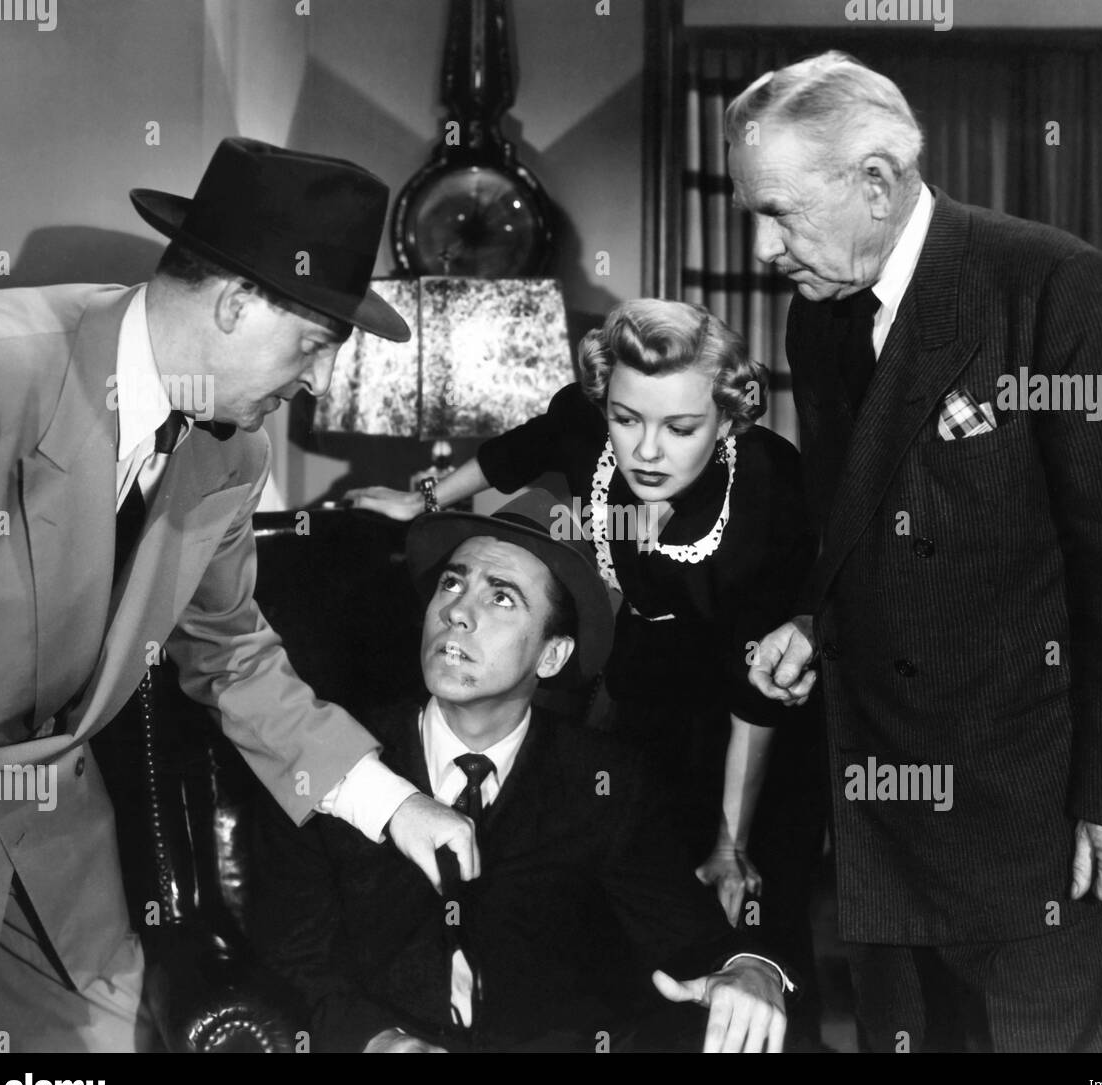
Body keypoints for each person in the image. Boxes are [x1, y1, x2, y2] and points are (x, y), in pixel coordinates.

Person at [0, 138, 479, 1052]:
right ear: (237, 303)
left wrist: (392, 803)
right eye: (315, 344)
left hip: (45, 844)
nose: (315, 380)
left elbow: (233, 655)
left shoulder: (232, 450)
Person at [729, 52, 1102, 1051]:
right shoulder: (816, 319)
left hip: (1043, 820)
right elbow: (859, 519)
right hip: (886, 809)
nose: (763, 245)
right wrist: (820, 616)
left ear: (874, 180)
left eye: (775, 210)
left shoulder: (1053, 288)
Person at [248, 488, 792, 1053]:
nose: (458, 611)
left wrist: (752, 969)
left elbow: (689, 935)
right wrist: (378, 1041)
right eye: (452, 583)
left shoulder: (605, 783)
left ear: (552, 656)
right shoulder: (333, 756)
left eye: (502, 598)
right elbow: (289, 956)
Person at [348, 300, 821, 938]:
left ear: (727, 423)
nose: (647, 450)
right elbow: (512, 454)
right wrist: (420, 500)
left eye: (681, 428)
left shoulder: (767, 484)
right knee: (622, 899)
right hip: (635, 687)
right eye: (627, 420)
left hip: (752, 717)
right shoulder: (583, 419)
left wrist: (730, 845)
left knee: (745, 917)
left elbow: (755, 685)